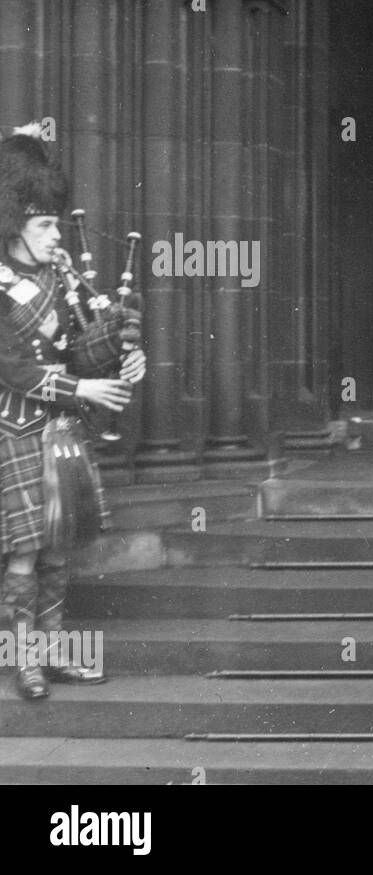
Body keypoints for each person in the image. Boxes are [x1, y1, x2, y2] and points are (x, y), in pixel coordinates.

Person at [0, 126, 145, 700]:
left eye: (55, 222)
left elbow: (92, 339)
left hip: (60, 430)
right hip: (14, 426)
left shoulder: (61, 277)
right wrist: (83, 388)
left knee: (57, 549)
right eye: (43, 224)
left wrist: (127, 356)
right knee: (24, 554)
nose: (54, 233)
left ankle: (53, 654)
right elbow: (10, 368)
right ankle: (22, 661)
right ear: (15, 227)